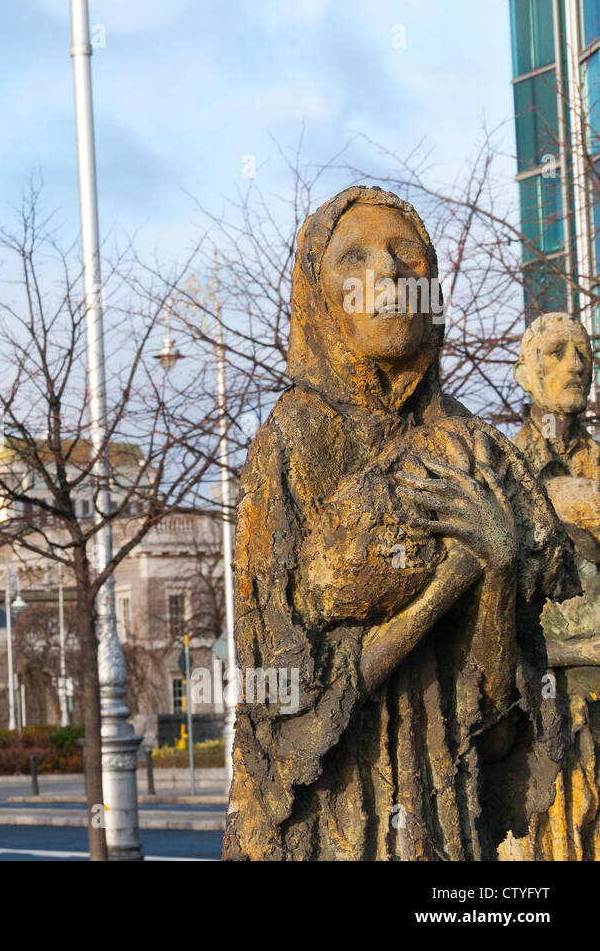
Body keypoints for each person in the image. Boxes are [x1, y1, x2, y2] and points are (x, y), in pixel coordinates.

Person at [223, 186, 575, 860]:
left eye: (405, 254)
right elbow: (289, 699)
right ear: (319, 297)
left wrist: (499, 570)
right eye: (353, 258)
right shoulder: (289, 445)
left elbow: (500, 732)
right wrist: (449, 583)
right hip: (333, 826)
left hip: (447, 826)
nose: (386, 273)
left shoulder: (478, 452)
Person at [507, 312, 600, 859]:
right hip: (537, 717)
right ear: (524, 374)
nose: (576, 364)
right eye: (558, 351)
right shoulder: (503, 469)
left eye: (584, 354)